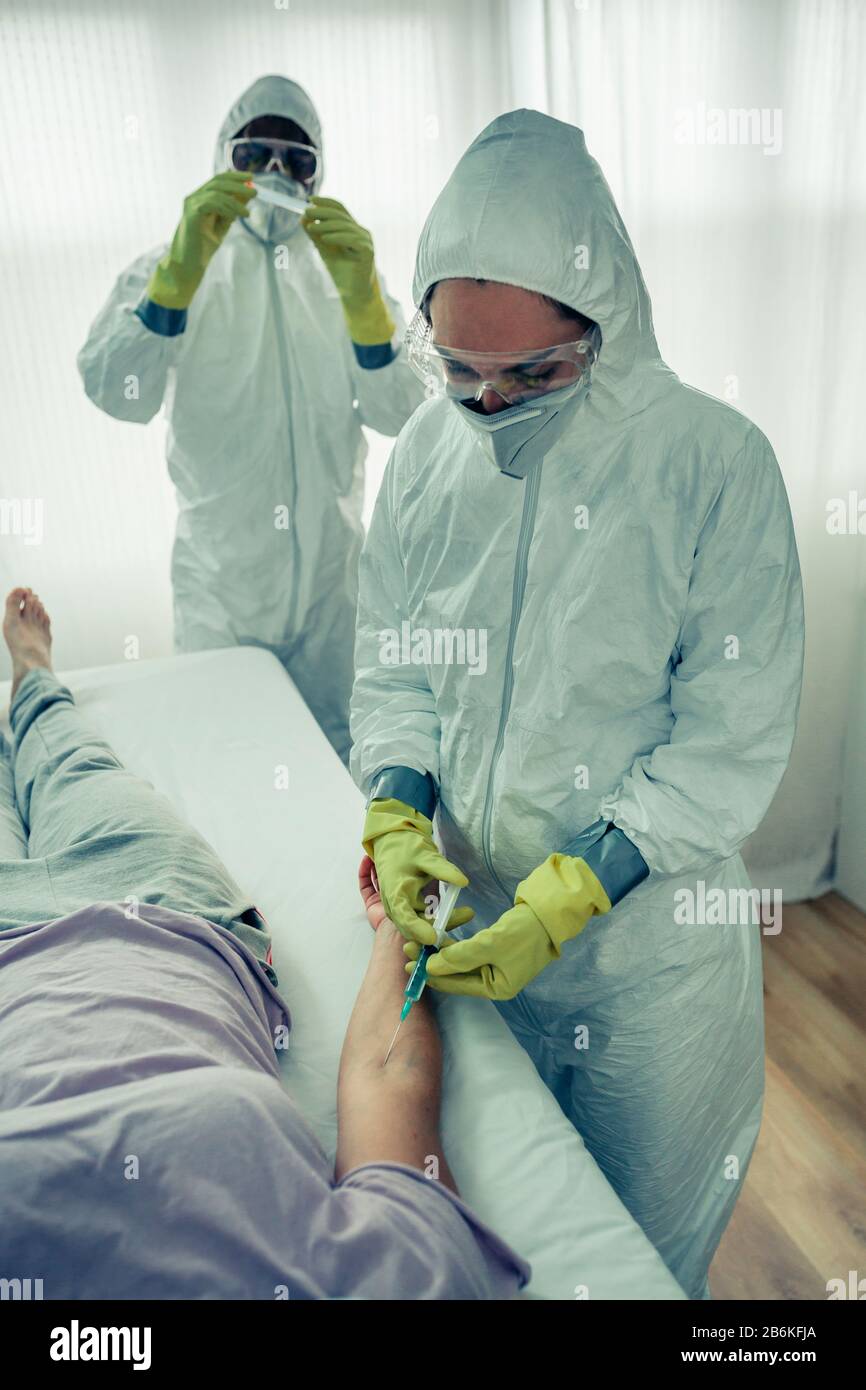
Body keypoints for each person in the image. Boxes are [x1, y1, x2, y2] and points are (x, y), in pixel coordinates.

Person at [350, 109, 805, 1299]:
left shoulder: (711, 465)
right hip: (473, 919)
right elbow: (398, 660)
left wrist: (578, 886)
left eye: (530, 372)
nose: (487, 405)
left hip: (645, 964)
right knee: (517, 1246)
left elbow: (727, 739)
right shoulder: (424, 459)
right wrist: (398, 805)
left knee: (638, 1263)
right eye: (457, 370)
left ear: (606, 327)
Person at [0, 588, 528, 1300]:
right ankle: (34, 678)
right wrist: (398, 929)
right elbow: (386, 1080)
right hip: (158, 910)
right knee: (70, 761)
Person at [77, 75, 423, 765]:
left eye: (297, 160)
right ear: (221, 161)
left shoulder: (343, 272)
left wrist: (367, 308)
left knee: (340, 765)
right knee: (229, 763)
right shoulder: (175, 263)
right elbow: (116, 390)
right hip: (221, 589)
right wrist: (175, 279)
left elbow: (407, 415)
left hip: (333, 588)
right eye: (253, 154)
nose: (274, 173)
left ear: (318, 173)